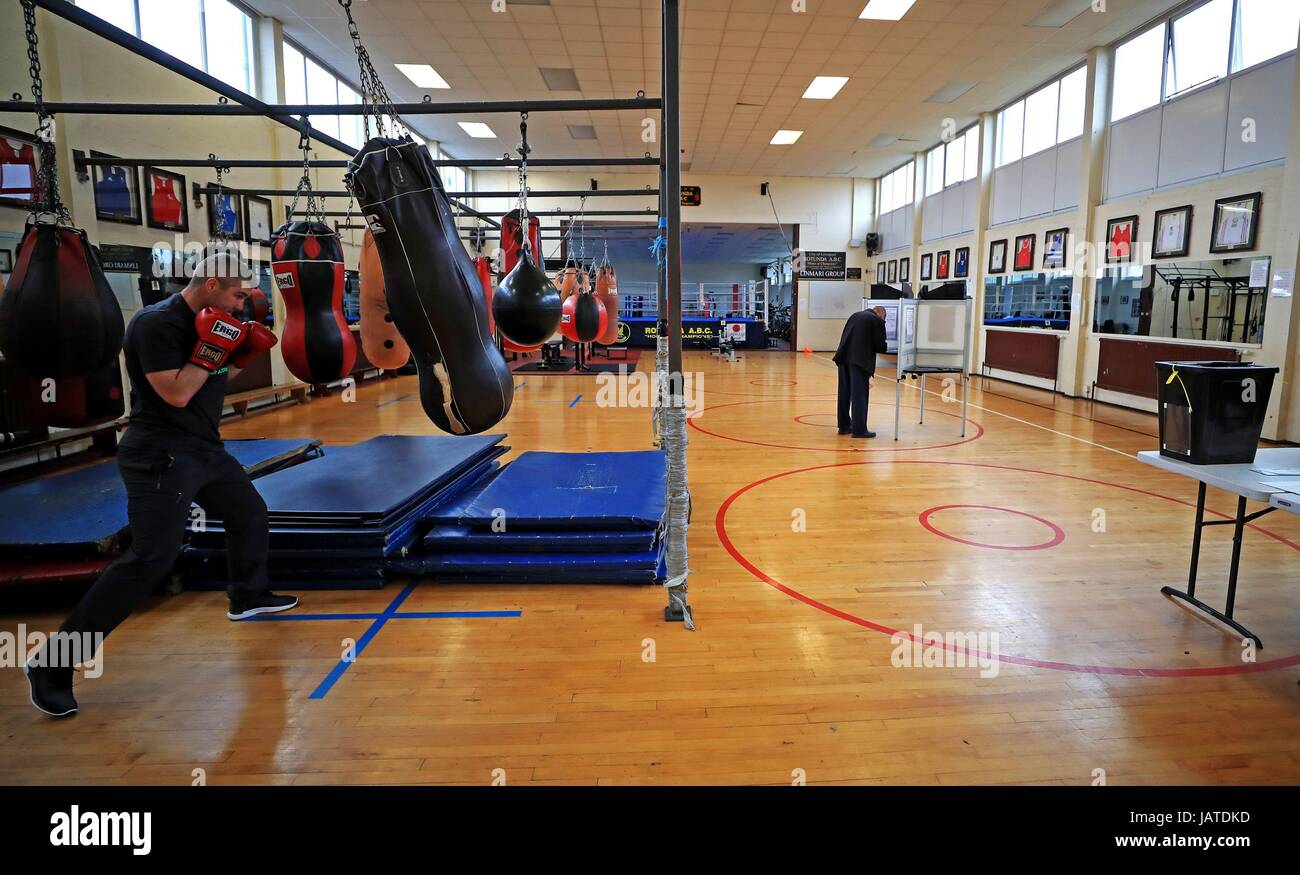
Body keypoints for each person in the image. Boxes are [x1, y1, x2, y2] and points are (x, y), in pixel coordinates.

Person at [25, 247, 299, 718]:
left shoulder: (217, 321)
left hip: (204, 448)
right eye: (237, 295)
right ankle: (53, 664)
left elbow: (215, 378)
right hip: (159, 454)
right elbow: (175, 392)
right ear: (211, 284)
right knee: (152, 557)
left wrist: (239, 354)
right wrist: (214, 346)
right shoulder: (157, 324)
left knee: (248, 513)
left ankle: (247, 596)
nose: (242, 305)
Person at [833, 305, 888, 438]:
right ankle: (859, 430)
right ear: (880, 314)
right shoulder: (876, 320)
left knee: (844, 393)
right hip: (859, 361)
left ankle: (844, 426)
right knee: (859, 395)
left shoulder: (855, 315)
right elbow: (880, 346)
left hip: (843, 358)